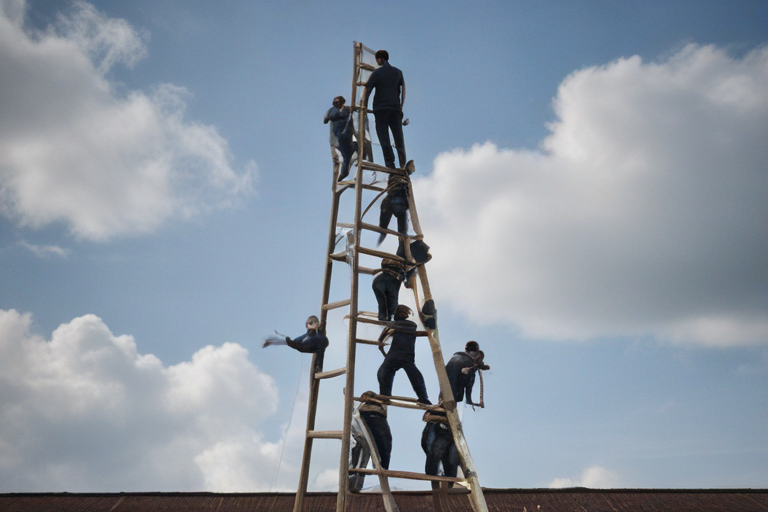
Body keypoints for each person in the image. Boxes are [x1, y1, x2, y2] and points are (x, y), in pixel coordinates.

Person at [377, 305, 431, 404]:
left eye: (402, 313)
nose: (401, 315)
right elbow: (382, 338)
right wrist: (382, 342)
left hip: (404, 356)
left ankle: (423, 397)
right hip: (395, 355)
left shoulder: (409, 325)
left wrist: (384, 336)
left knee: (415, 376)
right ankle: (385, 395)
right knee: (383, 373)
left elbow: (391, 329)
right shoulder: (395, 326)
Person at [364, 50, 407, 169]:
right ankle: (403, 164)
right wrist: (400, 109)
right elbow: (403, 93)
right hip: (395, 109)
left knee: (384, 139)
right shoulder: (398, 72)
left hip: (381, 109)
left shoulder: (377, 73)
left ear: (379, 59)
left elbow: (367, 90)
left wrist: (364, 106)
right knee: (399, 138)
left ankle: (390, 164)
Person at [263, 315, 329, 374]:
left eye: (310, 324)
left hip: (315, 345)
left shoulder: (318, 335)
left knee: (320, 350)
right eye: (307, 325)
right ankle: (272, 340)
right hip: (305, 345)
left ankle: (318, 368)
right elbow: (293, 342)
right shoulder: (307, 336)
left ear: (316, 324)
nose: (308, 326)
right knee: (292, 342)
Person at [421, 411, 459, 488]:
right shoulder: (435, 412)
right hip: (437, 449)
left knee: (450, 462)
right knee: (436, 461)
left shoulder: (453, 415)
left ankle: (446, 487)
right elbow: (427, 442)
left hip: (447, 448)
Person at [445, 341, 489, 405]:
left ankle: (443, 400)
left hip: (449, 366)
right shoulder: (478, 354)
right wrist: (484, 367)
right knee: (470, 377)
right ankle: (469, 400)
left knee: (449, 386)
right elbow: (479, 364)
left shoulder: (460, 354)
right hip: (464, 365)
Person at [323, 96, 356, 181]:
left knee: (349, 155)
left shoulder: (347, 109)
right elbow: (325, 120)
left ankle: (346, 173)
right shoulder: (332, 111)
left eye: (336, 102)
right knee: (338, 160)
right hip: (337, 138)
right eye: (334, 103)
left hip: (346, 136)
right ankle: (341, 175)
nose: (334, 104)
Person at [377, 172, 410, 245]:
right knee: (384, 230)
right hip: (395, 202)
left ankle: (402, 245)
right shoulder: (400, 187)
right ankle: (402, 244)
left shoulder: (401, 188)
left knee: (401, 233)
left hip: (396, 202)